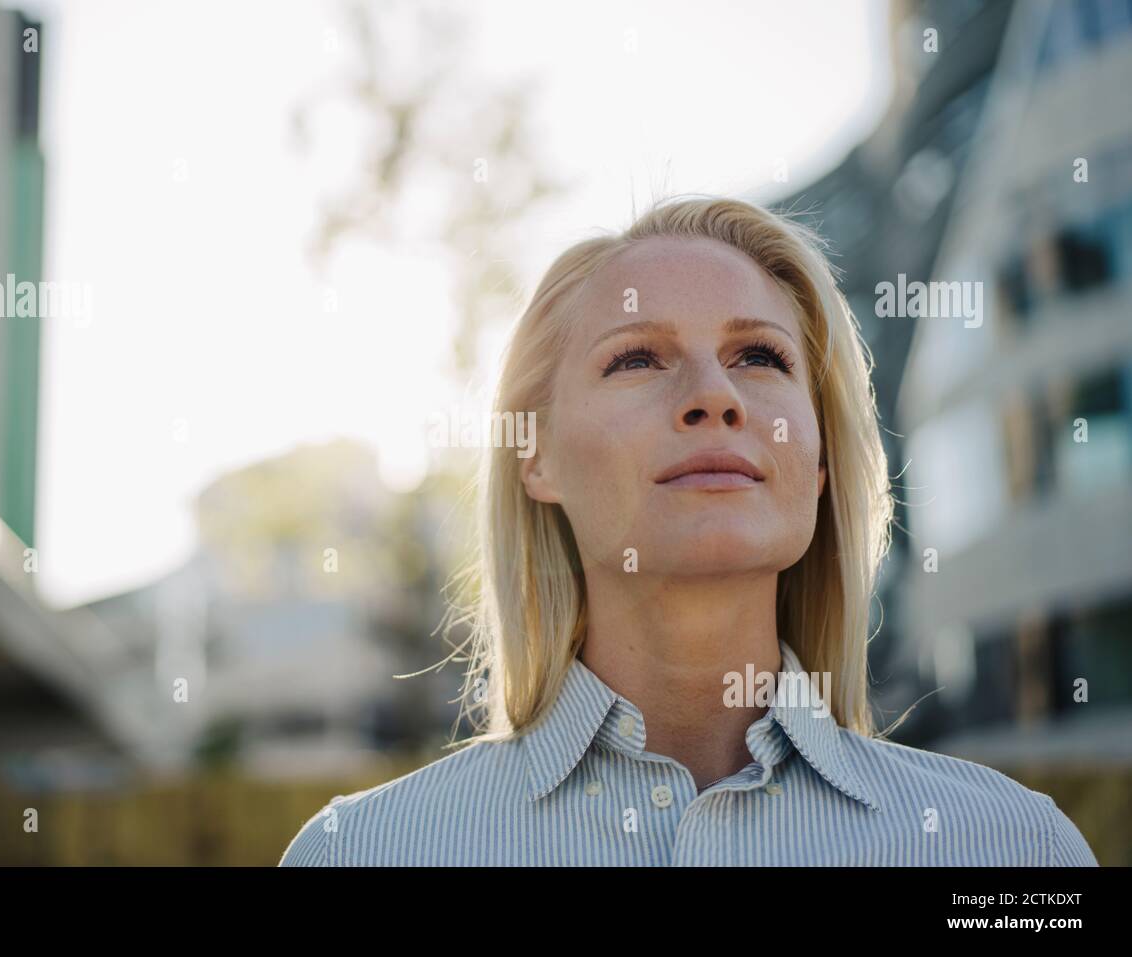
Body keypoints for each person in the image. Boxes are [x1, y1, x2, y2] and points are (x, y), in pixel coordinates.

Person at [280, 195, 1098, 866]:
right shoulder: (361, 853)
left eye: (761, 358)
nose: (715, 395)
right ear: (537, 457)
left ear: (816, 463)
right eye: (637, 358)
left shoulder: (1014, 853)